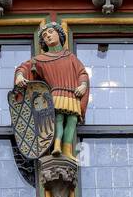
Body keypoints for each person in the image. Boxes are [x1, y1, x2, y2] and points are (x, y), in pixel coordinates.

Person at [13, 21, 88, 160]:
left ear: (59, 34)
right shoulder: (41, 59)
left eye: (51, 32)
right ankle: (57, 145)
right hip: (56, 92)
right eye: (45, 35)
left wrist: (83, 85)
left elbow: (82, 73)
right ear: (43, 42)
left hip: (72, 94)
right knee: (58, 118)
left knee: (71, 120)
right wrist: (19, 76)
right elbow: (25, 67)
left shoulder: (70, 57)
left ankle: (67, 150)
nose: (48, 36)